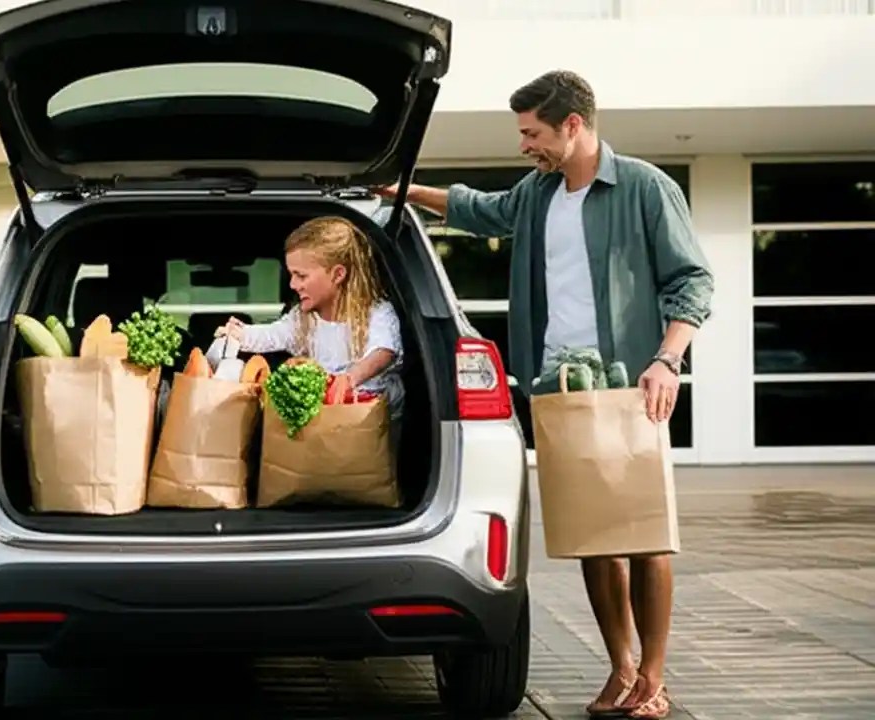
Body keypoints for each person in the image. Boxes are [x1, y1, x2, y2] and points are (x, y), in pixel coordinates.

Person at [379, 70, 713, 720]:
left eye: (532, 133)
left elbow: (692, 281)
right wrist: (399, 191)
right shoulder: (537, 194)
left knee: (646, 538)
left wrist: (667, 360)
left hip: (631, 387)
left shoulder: (643, 187)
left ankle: (654, 679)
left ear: (572, 124)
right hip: (558, 391)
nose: (525, 145)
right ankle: (619, 670)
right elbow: (477, 208)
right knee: (592, 540)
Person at [219, 216, 404, 434]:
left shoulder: (376, 312)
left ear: (337, 274)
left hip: (370, 421)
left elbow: (383, 351)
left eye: (301, 276)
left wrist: (349, 379)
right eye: (291, 275)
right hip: (324, 420)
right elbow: (273, 335)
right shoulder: (303, 319)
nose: (293, 285)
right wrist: (241, 334)